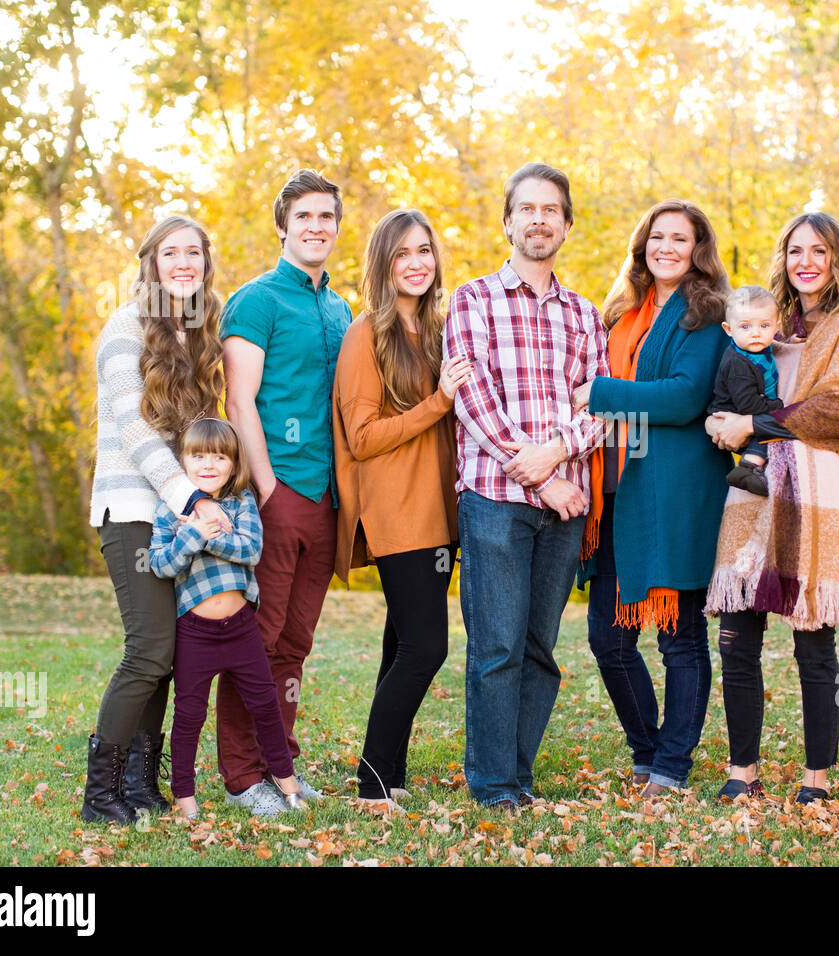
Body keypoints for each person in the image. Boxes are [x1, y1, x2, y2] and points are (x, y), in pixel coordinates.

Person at [442, 162, 609, 810]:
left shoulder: (585, 316)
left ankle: (516, 774)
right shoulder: (472, 300)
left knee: (539, 650)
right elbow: (474, 402)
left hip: (564, 506)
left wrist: (559, 453)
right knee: (496, 646)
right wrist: (540, 477)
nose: (539, 219)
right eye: (527, 209)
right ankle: (492, 786)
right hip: (494, 500)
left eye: (551, 210)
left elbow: (600, 409)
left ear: (566, 225)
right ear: (507, 222)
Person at [706, 212, 839, 805]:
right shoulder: (765, 326)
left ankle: (816, 781)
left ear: (837, 259)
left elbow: (838, 409)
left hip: (816, 486)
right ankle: (742, 771)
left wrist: (751, 423)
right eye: (796, 250)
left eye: (819, 251)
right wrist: (716, 418)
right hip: (751, 487)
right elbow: (723, 394)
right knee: (737, 633)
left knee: (812, 638)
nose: (806, 261)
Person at [569, 199, 733, 796]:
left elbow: (684, 398)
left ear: (697, 250)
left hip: (678, 493)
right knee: (608, 639)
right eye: (657, 237)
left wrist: (600, 393)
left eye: (680, 238)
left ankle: (671, 765)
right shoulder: (621, 316)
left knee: (680, 637)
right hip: (615, 493)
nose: (666, 247)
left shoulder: (707, 315)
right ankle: (648, 747)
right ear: (643, 245)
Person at [85, 215, 231, 824]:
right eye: (170, 252)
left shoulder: (195, 333)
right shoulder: (125, 327)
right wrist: (192, 500)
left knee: (170, 654)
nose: (182, 263)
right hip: (133, 511)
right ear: (151, 261)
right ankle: (100, 792)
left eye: (192, 253)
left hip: (177, 519)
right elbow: (135, 428)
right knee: (148, 650)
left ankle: (142, 784)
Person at [219, 169, 352, 815]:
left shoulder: (340, 308)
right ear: (282, 225)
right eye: (304, 216)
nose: (316, 226)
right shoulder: (255, 301)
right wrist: (268, 489)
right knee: (259, 637)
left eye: (326, 216)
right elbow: (239, 401)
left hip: (328, 499)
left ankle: (282, 764)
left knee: (295, 643)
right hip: (278, 493)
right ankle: (243, 775)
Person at [333, 209, 472, 811]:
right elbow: (361, 436)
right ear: (383, 265)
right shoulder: (367, 333)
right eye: (402, 254)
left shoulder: (441, 328)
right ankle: (370, 780)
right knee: (426, 648)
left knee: (400, 645)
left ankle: (386, 776)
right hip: (397, 510)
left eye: (425, 251)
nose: (417, 264)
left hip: (441, 510)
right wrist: (438, 403)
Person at [149, 418, 306, 819]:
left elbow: (251, 549)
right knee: (189, 714)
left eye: (219, 457)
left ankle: (286, 781)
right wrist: (193, 534)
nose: (208, 464)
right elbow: (161, 563)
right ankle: (184, 795)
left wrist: (210, 533)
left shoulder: (242, 503)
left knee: (266, 704)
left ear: (234, 464)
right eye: (198, 456)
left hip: (240, 628)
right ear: (183, 463)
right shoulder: (170, 511)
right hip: (195, 633)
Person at [709, 285, 784, 496]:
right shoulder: (737, 364)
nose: (756, 334)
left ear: (776, 327)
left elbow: (775, 350)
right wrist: (778, 406)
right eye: (745, 327)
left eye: (764, 325)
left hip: (752, 405)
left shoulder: (759, 348)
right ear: (728, 329)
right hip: (733, 411)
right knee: (768, 431)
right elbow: (749, 405)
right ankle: (749, 467)